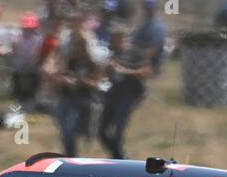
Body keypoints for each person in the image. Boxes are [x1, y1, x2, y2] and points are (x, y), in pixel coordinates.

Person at [98, 24, 153, 159]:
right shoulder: (110, 54)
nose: (114, 41)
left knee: (118, 132)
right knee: (101, 132)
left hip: (128, 95)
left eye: (117, 38)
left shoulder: (135, 53)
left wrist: (126, 71)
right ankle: (119, 157)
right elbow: (101, 74)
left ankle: (120, 159)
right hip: (112, 95)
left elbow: (146, 72)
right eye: (113, 38)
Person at [51, 29, 100, 156]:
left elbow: (97, 83)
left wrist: (84, 82)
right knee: (63, 128)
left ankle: (71, 156)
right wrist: (67, 81)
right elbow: (57, 76)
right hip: (66, 97)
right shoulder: (69, 60)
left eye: (81, 45)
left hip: (81, 99)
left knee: (69, 130)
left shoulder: (91, 63)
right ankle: (68, 153)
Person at [10, 11, 45, 110]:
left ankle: (30, 107)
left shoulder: (39, 39)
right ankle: (19, 107)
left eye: (31, 28)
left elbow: (37, 56)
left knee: (31, 92)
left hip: (32, 70)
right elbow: (15, 53)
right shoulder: (18, 38)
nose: (28, 31)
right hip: (19, 69)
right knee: (19, 91)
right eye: (26, 28)